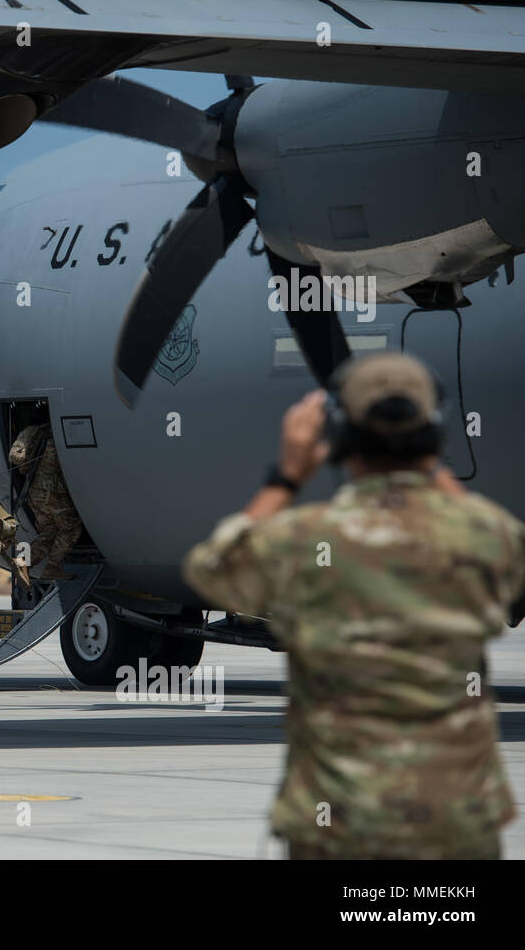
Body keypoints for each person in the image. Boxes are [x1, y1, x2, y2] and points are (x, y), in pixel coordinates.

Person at [184, 352, 522, 859]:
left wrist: (287, 476)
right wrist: (432, 455)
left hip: (340, 823)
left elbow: (213, 568)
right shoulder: (486, 536)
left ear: (339, 437)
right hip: (457, 822)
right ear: (437, 433)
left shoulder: (307, 539)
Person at [9, 422, 79, 582]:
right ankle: (53, 567)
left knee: (50, 530)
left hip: (34, 491)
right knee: (71, 527)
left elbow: (17, 458)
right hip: (51, 492)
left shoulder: (35, 432)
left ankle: (23, 562)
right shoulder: (57, 436)